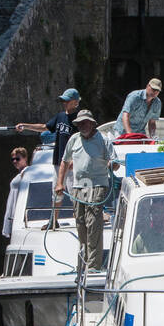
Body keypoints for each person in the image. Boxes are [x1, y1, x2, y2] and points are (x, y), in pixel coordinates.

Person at [56, 110, 117, 279]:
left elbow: (114, 161)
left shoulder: (103, 139)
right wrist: (60, 183)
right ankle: (82, 263)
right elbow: (64, 161)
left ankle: (93, 266)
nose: (82, 126)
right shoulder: (74, 139)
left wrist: (111, 165)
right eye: (79, 123)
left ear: (92, 123)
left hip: (97, 185)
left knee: (93, 222)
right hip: (78, 186)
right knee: (80, 223)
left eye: (85, 123)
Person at [15, 87, 81, 168]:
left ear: (76, 102)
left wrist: (75, 161)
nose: (64, 103)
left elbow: (84, 141)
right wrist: (25, 126)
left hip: (72, 164)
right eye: (63, 100)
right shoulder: (60, 116)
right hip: (58, 162)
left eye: (67, 100)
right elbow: (43, 127)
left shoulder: (80, 119)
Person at [2, 147, 30, 240]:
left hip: (19, 209)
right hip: (13, 209)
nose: (15, 161)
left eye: (17, 159)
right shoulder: (20, 173)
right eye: (13, 159)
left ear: (25, 158)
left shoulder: (27, 172)